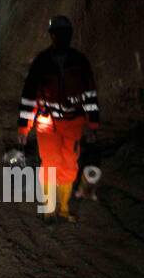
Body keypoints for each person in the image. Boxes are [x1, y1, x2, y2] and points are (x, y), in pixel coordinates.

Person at [17, 15, 100, 222]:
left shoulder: (79, 62)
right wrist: (24, 128)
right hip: (48, 123)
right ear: (52, 35)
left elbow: (90, 95)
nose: (61, 37)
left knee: (69, 166)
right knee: (49, 164)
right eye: (58, 33)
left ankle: (63, 208)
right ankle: (49, 208)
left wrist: (93, 124)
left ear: (69, 35)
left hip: (73, 123)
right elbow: (29, 97)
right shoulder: (42, 62)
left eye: (65, 33)